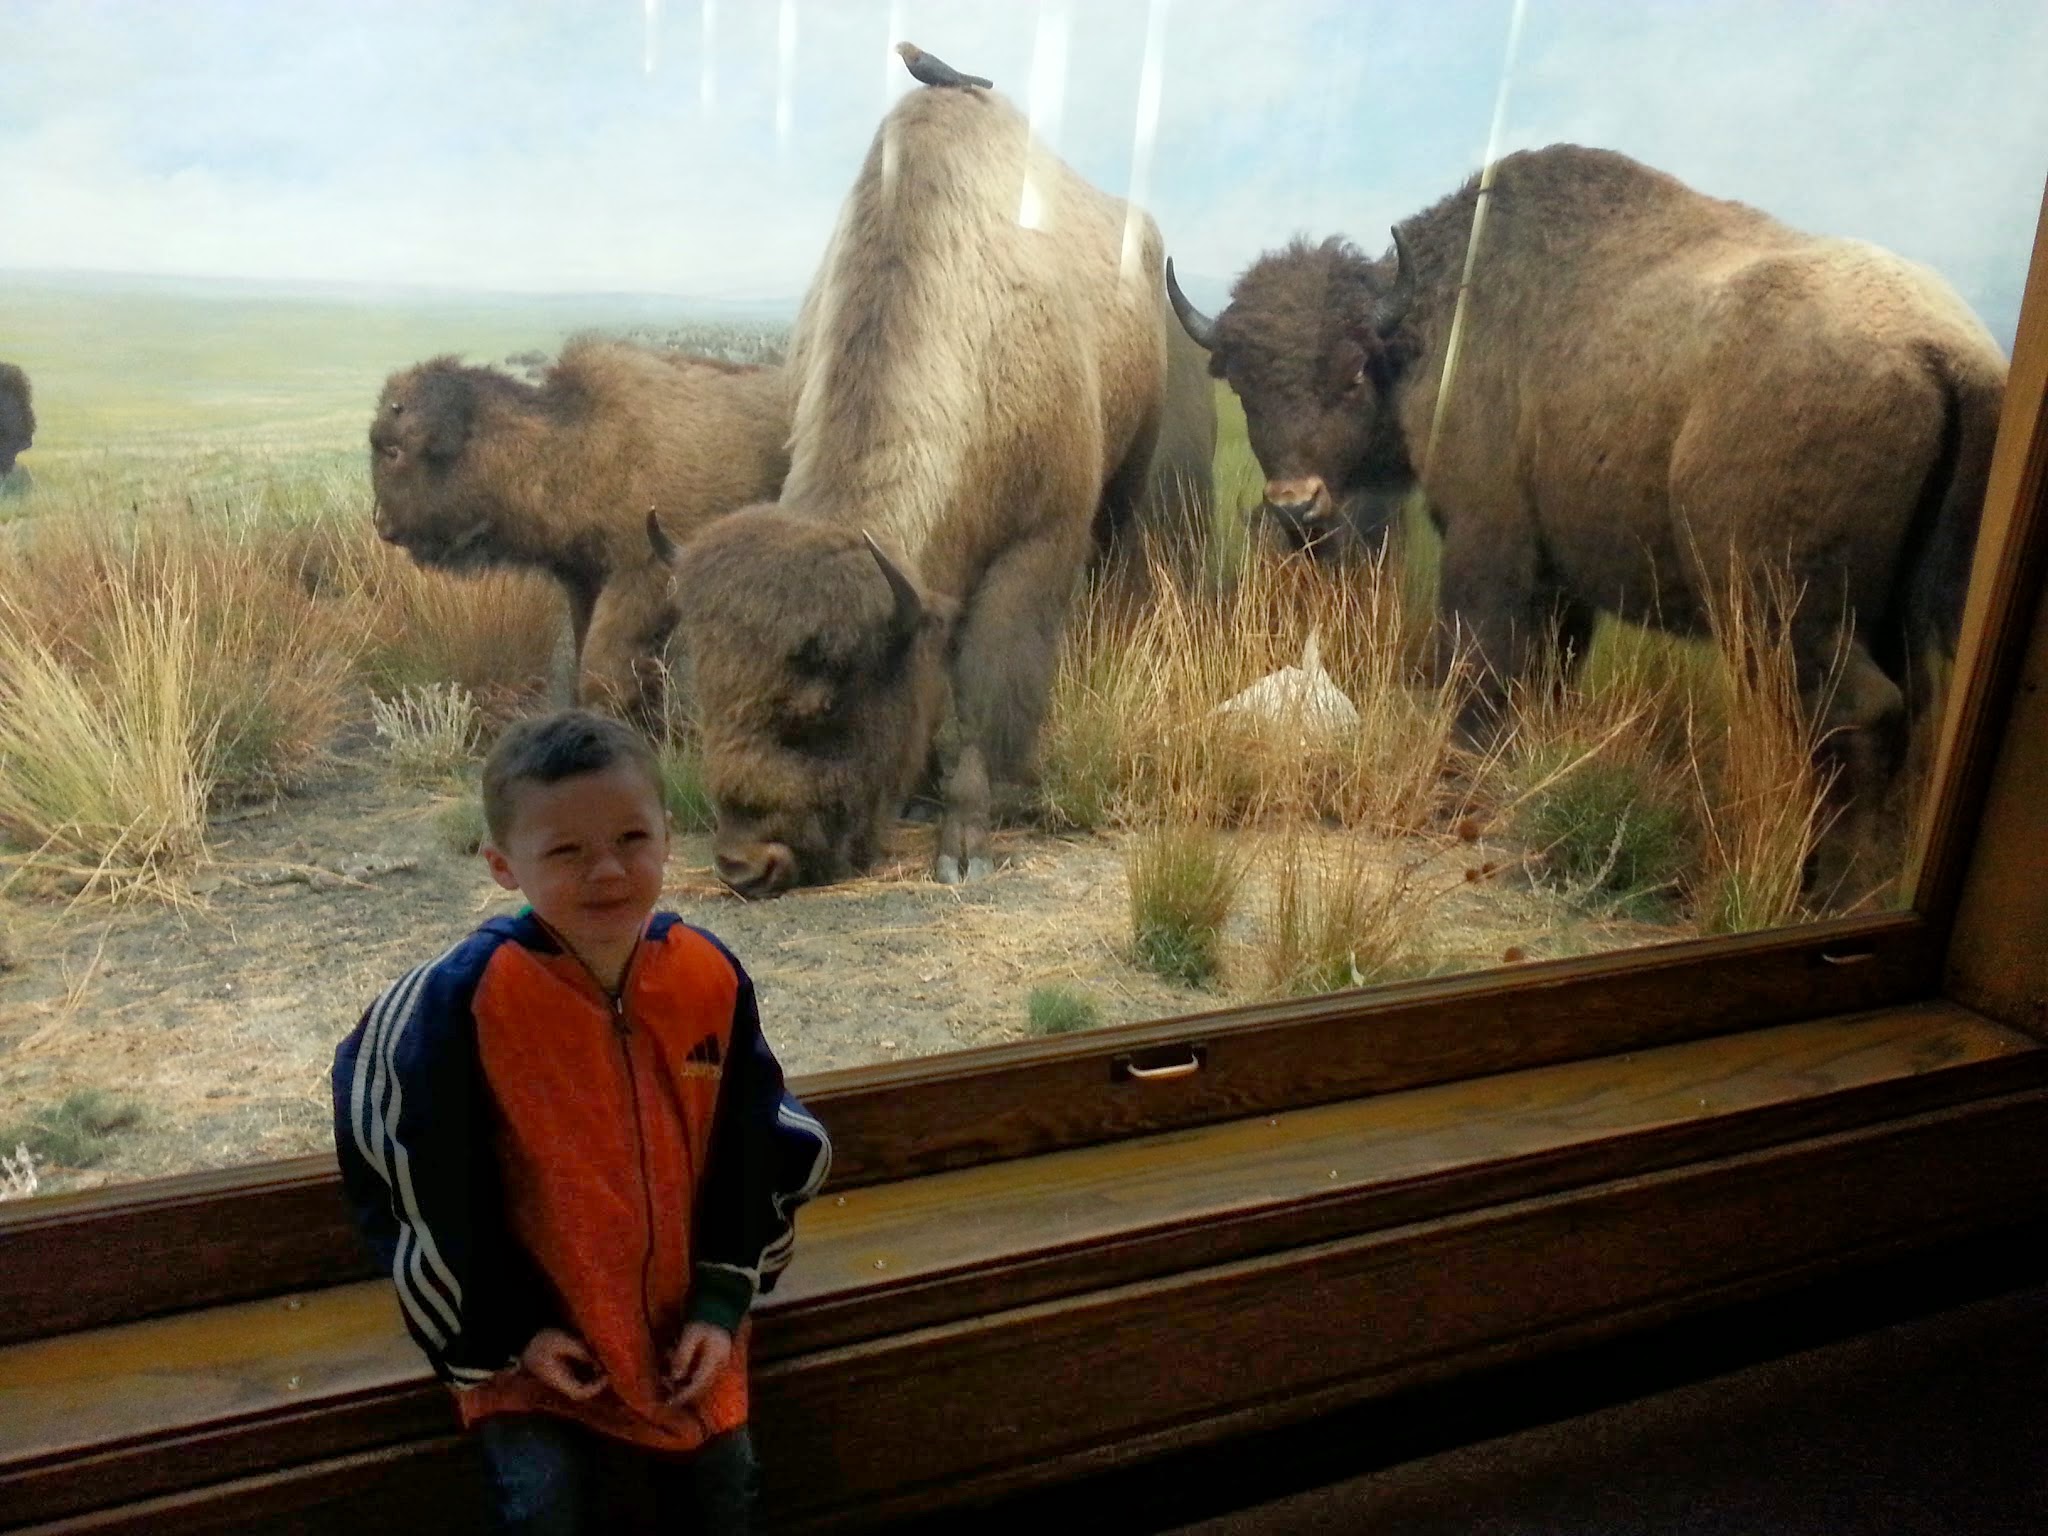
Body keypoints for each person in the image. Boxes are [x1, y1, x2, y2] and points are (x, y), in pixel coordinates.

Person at [332, 709, 831, 1533]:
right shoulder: (461, 1003)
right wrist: (514, 1329)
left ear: (671, 837)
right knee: (544, 1504)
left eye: (633, 838)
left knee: (725, 1487)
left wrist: (719, 1303)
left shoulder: (707, 978)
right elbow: (425, 1185)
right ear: (502, 865)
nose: (606, 871)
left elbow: (750, 1146)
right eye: (564, 851)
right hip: (526, 1337)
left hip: (684, 1321)